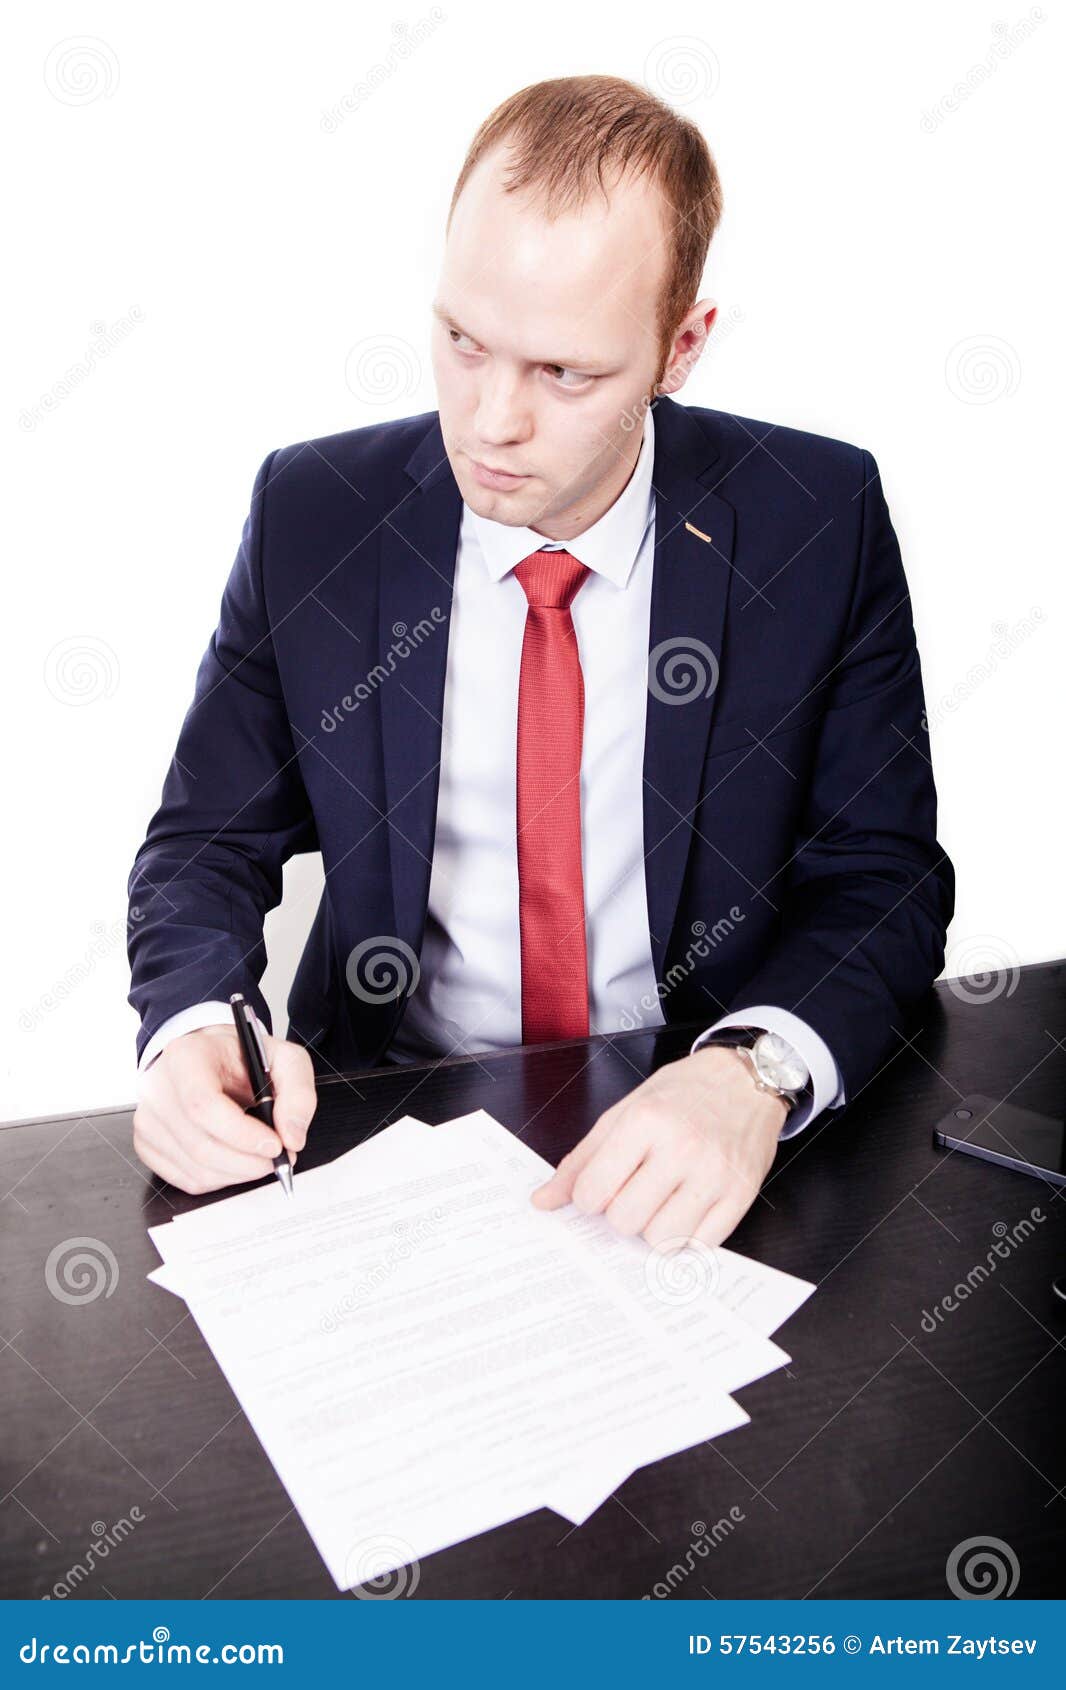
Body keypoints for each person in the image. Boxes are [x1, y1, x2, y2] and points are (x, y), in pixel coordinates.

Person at [127, 74, 954, 1248]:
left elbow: (885, 878)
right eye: (462, 341)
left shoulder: (815, 518)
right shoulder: (316, 513)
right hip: (379, 1133)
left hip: (694, 1128)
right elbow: (206, 840)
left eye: (566, 373)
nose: (489, 422)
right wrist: (192, 1023)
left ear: (682, 346)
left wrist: (752, 1070)